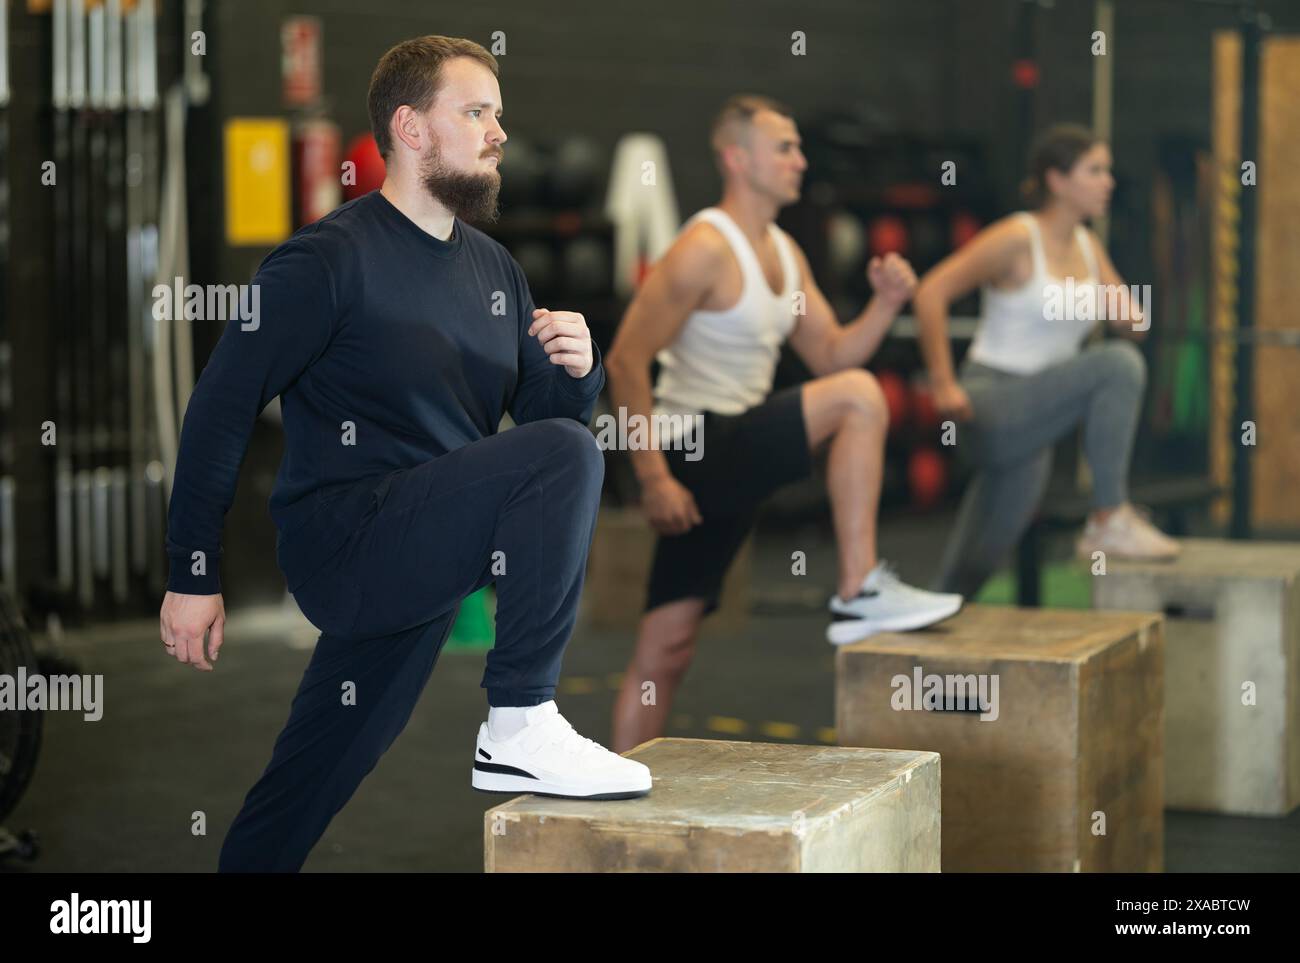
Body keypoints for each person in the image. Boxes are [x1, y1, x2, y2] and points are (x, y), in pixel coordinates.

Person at [158, 36, 650, 873]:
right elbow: (218, 409)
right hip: (349, 543)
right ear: (410, 129)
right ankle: (519, 721)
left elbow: (542, 429)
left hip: (428, 549)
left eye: (498, 113)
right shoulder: (325, 261)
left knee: (311, 779)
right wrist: (192, 572)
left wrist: (579, 370)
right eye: (476, 112)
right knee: (563, 454)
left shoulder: (495, 271)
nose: (500, 132)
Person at [605, 95, 962, 753]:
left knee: (667, 645)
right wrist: (651, 476)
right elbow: (625, 359)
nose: (801, 160)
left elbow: (831, 351)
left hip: (737, 452)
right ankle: (857, 589)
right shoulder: (703, 248)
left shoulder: (788, 253)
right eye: (785, 148)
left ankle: (608, 800)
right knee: (858, 396)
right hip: (697, 445)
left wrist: (885, 306)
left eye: (799, 146)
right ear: (738, 158)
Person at [913, 123, 1180, 600]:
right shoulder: (1018, 237)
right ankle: (1108, 518)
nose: (1108, 182)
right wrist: (942, 382)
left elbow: (1135, 327)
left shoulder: (1087, 246)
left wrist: (1125, 302)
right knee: (1117, 365)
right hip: (990, 402)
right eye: (1095, 170)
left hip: (1037, 417)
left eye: (1109, 171)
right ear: (1057, 180)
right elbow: (931, 292)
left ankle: (926, 628)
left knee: (977, 563)